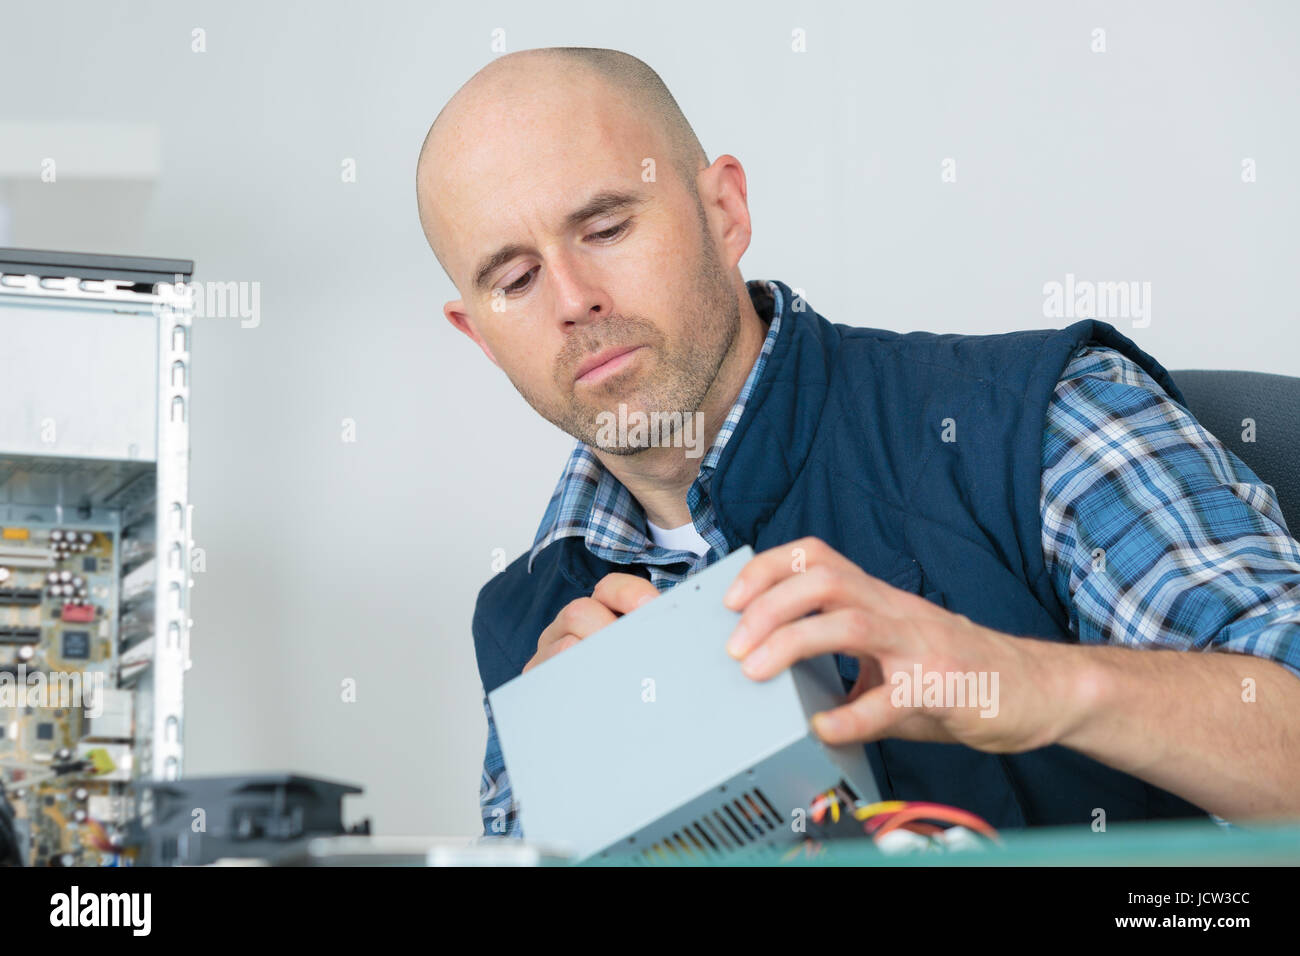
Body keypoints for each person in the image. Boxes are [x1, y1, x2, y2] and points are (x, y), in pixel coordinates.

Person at [414, 46, 1300, 838]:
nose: (573, 298)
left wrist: (1028, 683)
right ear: (479, 335)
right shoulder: (523, 627)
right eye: (517, 279)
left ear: (725, 211)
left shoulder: (1043, 422)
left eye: (607, 227)